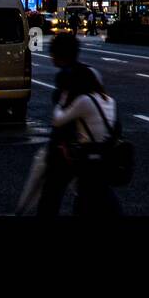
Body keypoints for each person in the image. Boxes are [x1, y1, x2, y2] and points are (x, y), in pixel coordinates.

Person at [50, 66, 122, 216]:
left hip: (89, 155)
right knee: (101, 192)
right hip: (106, 152)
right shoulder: (109, 100)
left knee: (85, 196)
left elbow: (58, 120)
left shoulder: (85, 100)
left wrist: (62, 100)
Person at [37, 32, 94, 215]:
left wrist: (58, 145)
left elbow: (62, 117)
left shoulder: (66, 77)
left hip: (69, 145)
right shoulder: (88, 72)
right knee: (90, 192)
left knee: (51, 194)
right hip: (92, 143)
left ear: (57, 54)